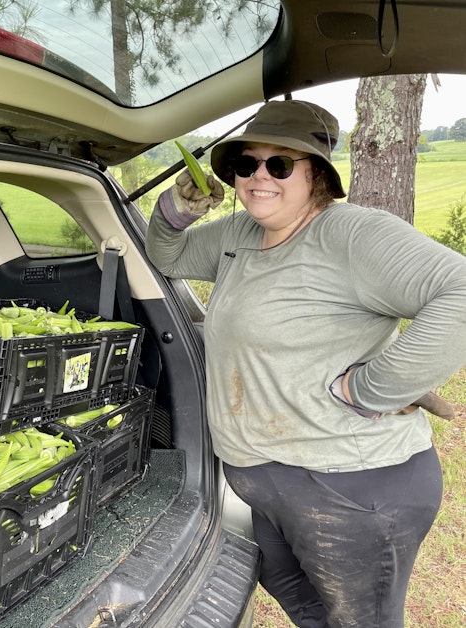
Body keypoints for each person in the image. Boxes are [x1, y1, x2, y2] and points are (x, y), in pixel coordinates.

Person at [144, 99, 466, 627]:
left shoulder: (353, 234)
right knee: (299, 598)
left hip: (352, 489)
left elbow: (460, 292)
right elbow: (168, 257)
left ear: (316, 173)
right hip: (267, 479)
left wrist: (371, 390)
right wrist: (176, 214)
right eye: (247, 164)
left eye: (279, 164)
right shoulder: (238, 235)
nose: (258, 178)